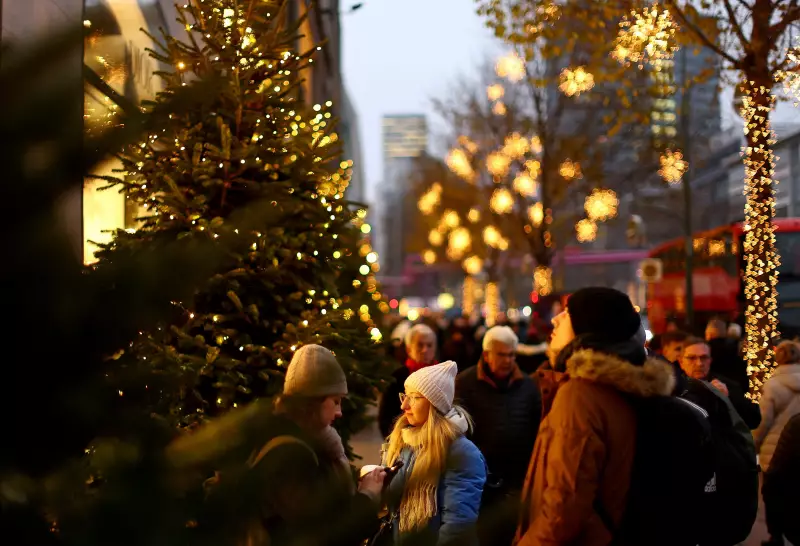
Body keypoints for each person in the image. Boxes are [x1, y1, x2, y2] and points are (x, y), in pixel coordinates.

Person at [516, 287, 675, 546]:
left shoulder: (580, 395)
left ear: (589, 330)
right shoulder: (620, 387)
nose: (555, 319)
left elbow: (564, 510)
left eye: (567, 314)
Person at [197, 344, 386, 546]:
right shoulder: (290, 454)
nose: (339, 412)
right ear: (314, 401)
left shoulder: (310, 441)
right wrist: (367, 496)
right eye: (336, 401)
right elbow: (327, 532)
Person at [383, 361, 486, 546]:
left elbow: (457, 526)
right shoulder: (401, 442)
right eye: (404, 396)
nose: (404, 405)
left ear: (434, 404)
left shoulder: (461, 452)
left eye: (414, 398)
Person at [455, 326, 541, 546]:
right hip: (479, 482)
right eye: (502, 355)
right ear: (486, 355)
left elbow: (536, 428)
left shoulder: (528, 386)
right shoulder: (464, 383)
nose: (508, 360)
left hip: (517, 481)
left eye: (512, 355)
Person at [753, 341, 800, 546]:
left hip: (774, 447)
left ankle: (776, 534)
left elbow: (764, 420)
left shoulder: (772, 385)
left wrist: (754, 443)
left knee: (773, 490)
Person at [680, 337, 762, 429]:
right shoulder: (673, 387)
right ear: (681, 362)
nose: (699, 363)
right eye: (692, 358)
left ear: (710, 360)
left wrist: (728, 398)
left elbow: (753, 420)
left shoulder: (727, 385)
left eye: (704, 358)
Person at [379, 324, 438, 437]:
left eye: (429, 345)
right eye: (420, 345)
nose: (425, 350)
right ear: (409, 349)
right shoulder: (397, 377)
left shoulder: (442, 376)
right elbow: (386, 417)